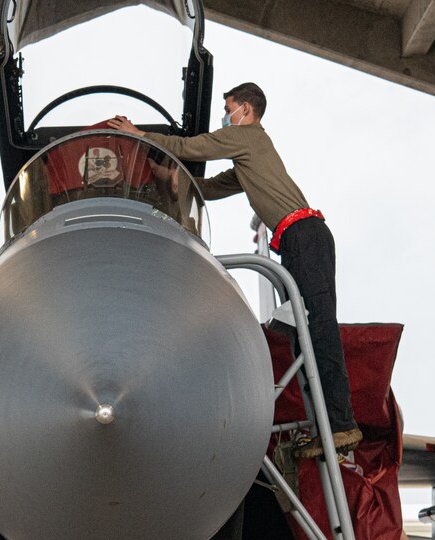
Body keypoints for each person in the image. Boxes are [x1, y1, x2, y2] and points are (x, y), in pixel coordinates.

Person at [106, 82, 360, 459]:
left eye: (228, 108)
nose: (226, 115)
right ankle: (325, 425)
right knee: (300, 336)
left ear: (246, 109)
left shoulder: (249, 137)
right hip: (295, 241)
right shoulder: (247, 162)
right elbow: (203, 187)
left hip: (306, 236)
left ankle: (342, 426)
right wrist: (157, 173)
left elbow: (192, 147)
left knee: (319, 328)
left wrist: (138, 134)